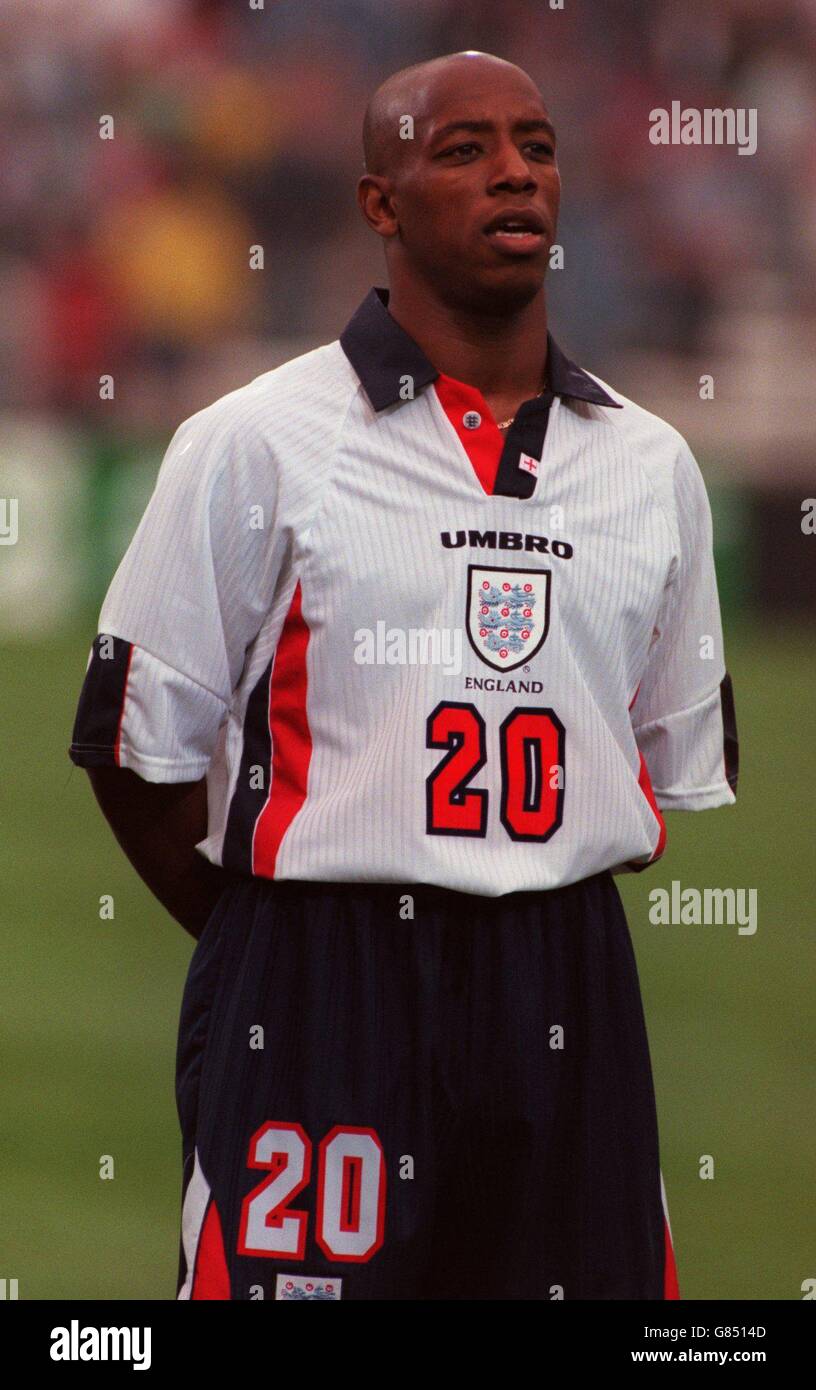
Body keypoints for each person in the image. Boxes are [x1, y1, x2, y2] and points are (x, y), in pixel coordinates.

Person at [69, 50, 738, 1301]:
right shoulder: (256, 441)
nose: (515, 174)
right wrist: (273, 946)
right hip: (321, 979)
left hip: (568, 980)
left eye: (536, 146)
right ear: (381, 203)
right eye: (464, 149)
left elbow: (648, 770)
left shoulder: (653, 469)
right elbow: (130, 752)